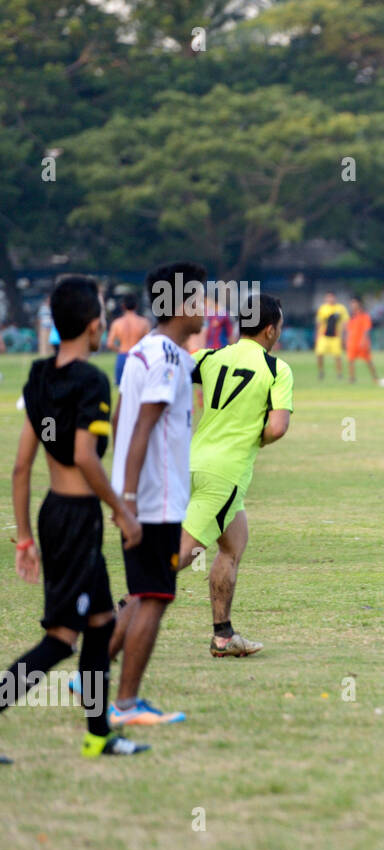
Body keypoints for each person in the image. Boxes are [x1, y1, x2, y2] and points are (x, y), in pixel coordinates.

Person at [2, 275, 147, 762]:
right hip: (77, 518)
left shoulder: (40, 375)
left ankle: (97, 734)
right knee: (62, 638)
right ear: (92, 326)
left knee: (103, 623)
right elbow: (86, 456)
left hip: (52, 514)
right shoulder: (90, 380)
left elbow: (22, 466)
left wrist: (24, 538)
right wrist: (122, 510)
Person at [107, 261, 207, 727]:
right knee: (154, 597)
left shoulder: (142, 352)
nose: (206, 306)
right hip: (156, 501)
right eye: (200, 297)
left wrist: (120, 494)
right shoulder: (167, 357)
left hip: (141, 498)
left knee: (140, 593)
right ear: (181, 305)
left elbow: (119, 419)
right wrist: (127, 500)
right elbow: (143, 427)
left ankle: (93, 678)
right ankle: (126, 705)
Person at [178, 295, 293, 657]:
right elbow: (277, 427)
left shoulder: (211, 357)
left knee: (233, 543)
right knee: (181, 554)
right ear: (270, 329)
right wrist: (248, 436)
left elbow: (173, 371)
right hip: (224, 473)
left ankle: (223, 636)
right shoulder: (276, 369)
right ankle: (123, 609)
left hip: (192, 462)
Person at [106, 293, 150, 386]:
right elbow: (148, 342)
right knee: (139, 386)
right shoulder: (144, 322)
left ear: (123, 306)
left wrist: (120, 350)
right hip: (138, 356)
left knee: (121, 388)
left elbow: (110, 343)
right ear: (137, 306)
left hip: (122, 355)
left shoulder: (117, 323)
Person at [314, 291, 347, 381]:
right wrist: (317, 336)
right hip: (323, 336)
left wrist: (344, 336)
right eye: (328, 297)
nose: (330, 299)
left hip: (336, 336)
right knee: (319, 354)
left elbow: (345, 322)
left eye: (332, 297)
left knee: (337, 356)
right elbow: (319, 323)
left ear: (335, 298)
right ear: (326, 298)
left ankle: (339, 373)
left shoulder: (340, 308)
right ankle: (321, 372)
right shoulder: (322, 308)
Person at [345, 296, 378, 383]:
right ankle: (352, 378)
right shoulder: (352, 317)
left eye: (354, 303)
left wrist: (363, 340)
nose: (353, 305)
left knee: (368, 361)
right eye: (351, 303)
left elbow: (366, 329)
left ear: (359, 304)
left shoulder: (364, 316)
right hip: (352, 342)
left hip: (362, 343)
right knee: (350, 361)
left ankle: (375, 378)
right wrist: (346, 341)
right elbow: (349, 330)